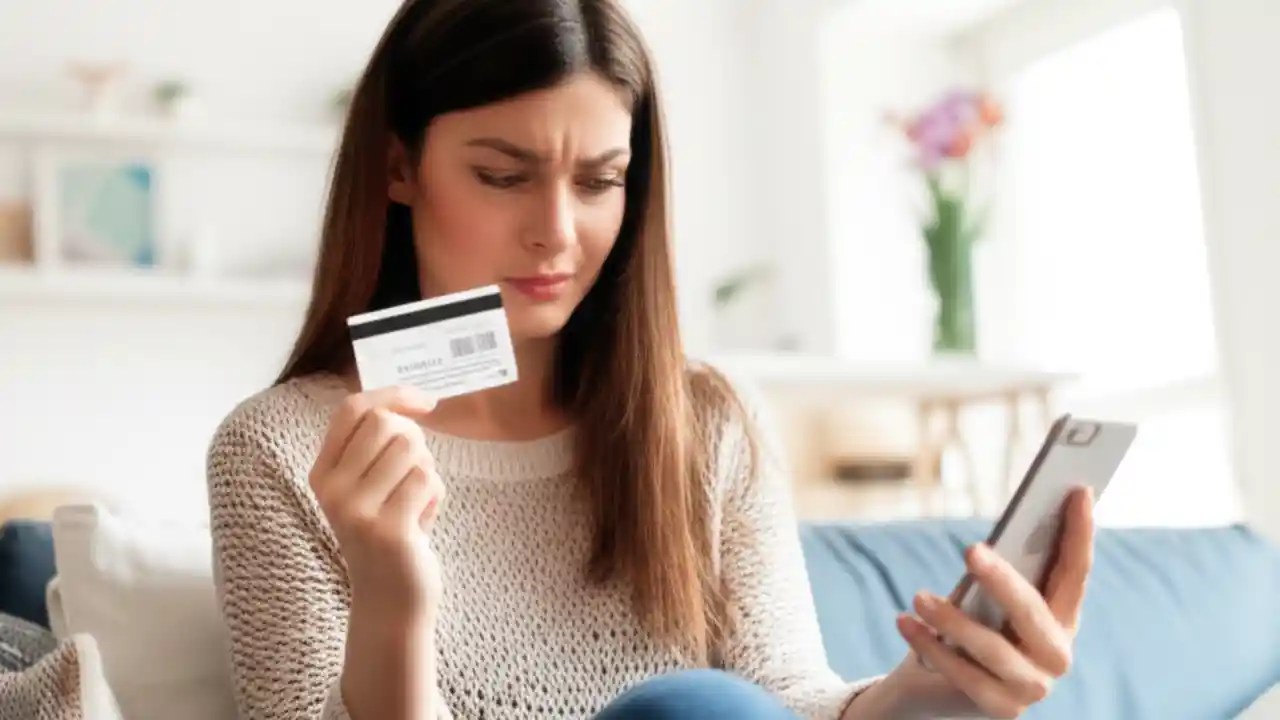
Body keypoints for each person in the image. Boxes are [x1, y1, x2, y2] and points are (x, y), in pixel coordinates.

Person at [205, 1, 1096, 718]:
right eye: (505, 176)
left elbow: (786, 700)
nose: (557, 233)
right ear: (399, 166)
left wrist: (937, 694)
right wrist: (393, 601)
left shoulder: (708, 424)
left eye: (599, 182)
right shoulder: (278, 451)